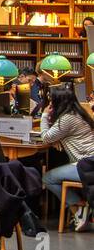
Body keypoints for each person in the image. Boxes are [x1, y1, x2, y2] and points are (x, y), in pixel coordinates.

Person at [36, 85, 94, 222]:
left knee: (47, 178)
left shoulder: (67, 118)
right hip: (89, 162)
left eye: (51, 101)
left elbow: (46, 137)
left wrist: (44, 116)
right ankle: (81, 210)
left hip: (86, 166)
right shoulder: (78, 113)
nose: (49, 104)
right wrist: (59, 139)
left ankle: (79, 209)